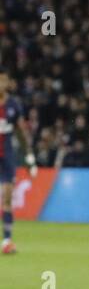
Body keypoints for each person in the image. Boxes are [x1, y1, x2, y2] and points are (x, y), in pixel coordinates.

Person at [0, 72, 36, 255]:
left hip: (6, 158)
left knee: (6, 198)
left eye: (3, 80)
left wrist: (29, 156)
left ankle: (7, 240)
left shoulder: (13, 105)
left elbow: (22, 133)